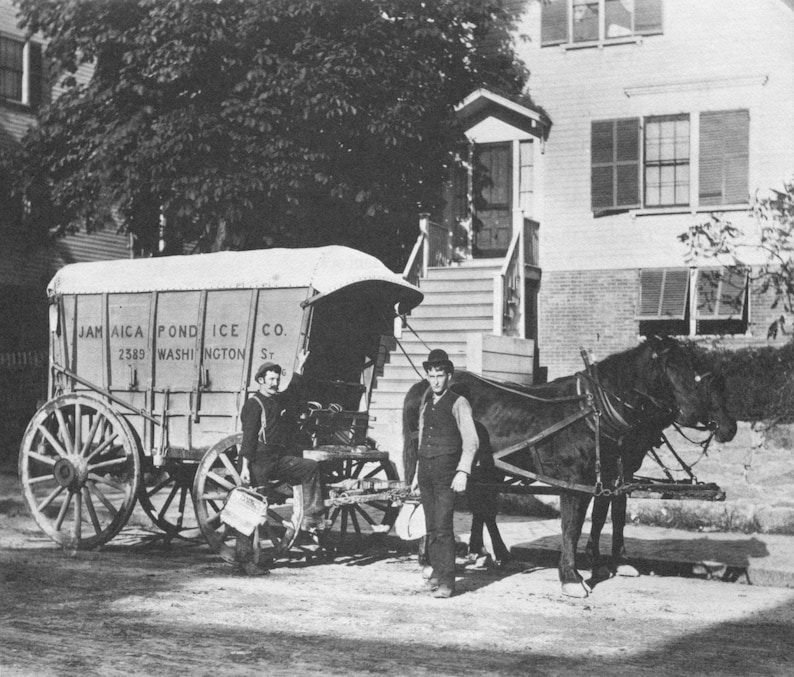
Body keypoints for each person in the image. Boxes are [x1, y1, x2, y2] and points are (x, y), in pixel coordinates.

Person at [221, 349, 328, 575]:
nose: (275, 383)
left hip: (277, 459)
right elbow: (248, 438)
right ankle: (246, 560)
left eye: (277, 379)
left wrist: (300, 365)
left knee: (310, 467)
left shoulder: (277, 399)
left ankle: (311, 518)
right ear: (260, 381)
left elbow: (294, 390)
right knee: (250, 509)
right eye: (271, 379)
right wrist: (245, 467)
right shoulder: (254, 405)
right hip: (258, 461)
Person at [415, 348, 478, 598]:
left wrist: (463, 470)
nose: (436, 380)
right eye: (431, 376)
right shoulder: (426, 404)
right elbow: (421, 439)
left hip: (446, 474)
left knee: (443, 527)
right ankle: (437, 574)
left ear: (448, 376)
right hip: (425, 473)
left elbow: (471, 441)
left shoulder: (458, 403)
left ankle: (447, 582)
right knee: (431, 528)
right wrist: (414, 477)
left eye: (440, 375)